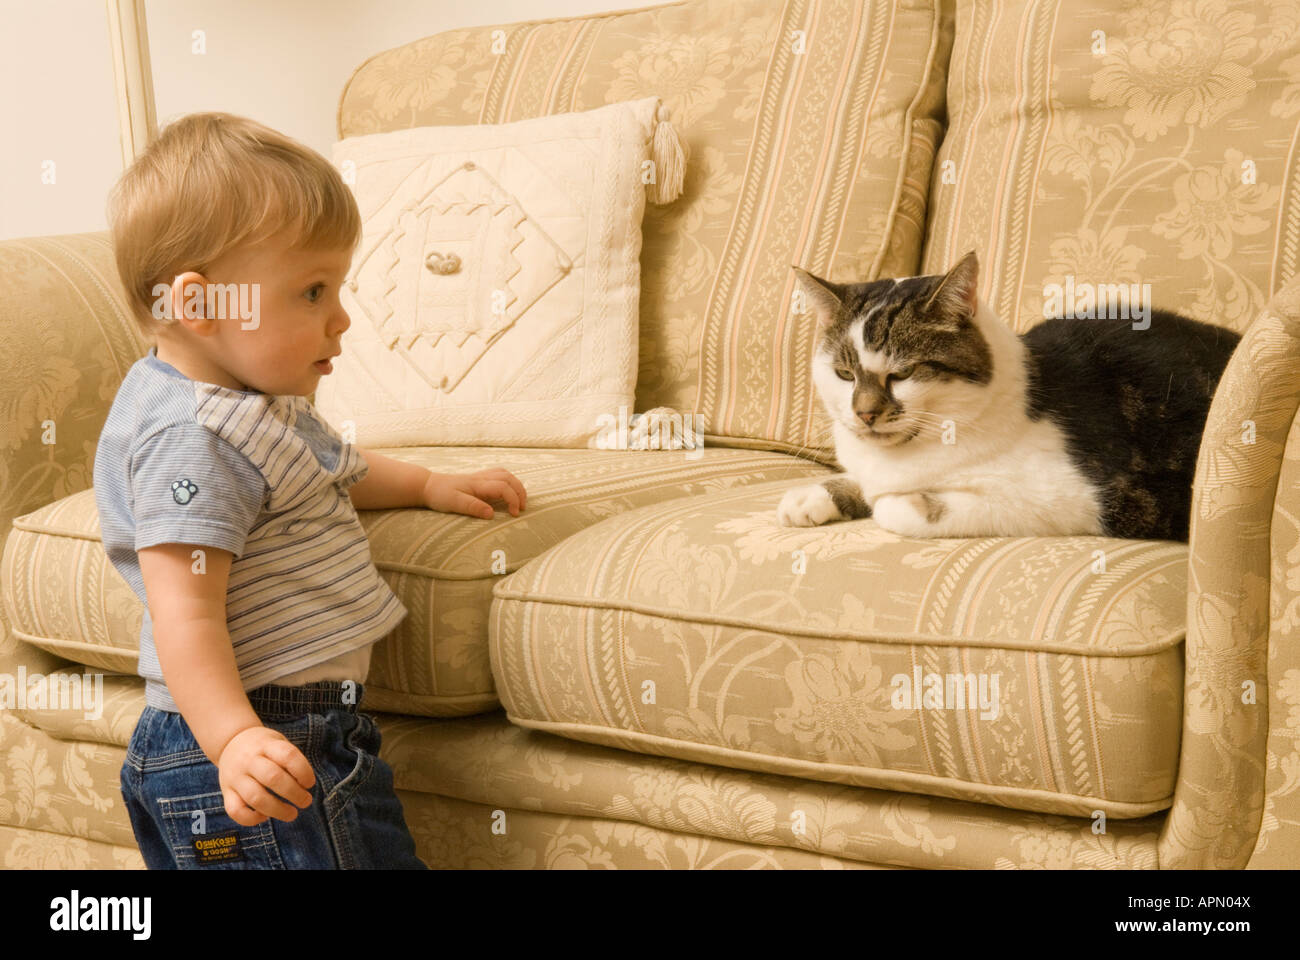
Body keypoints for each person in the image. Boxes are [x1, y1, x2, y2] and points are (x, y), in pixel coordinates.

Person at [95, 111, 527, 869]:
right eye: (312, 291)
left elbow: (330, 472)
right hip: (260, 743)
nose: (342, 318)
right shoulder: (192, 437)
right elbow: (182, 610)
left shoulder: (252, 409)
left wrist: (427, 484)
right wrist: (232, 741)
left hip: (279, 739)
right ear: (198, 307)